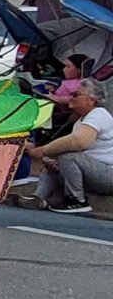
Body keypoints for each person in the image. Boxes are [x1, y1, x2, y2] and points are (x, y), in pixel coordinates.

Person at [26, 79, 113, 212]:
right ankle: (37, 198)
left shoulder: (99, 114)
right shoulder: (81, 120)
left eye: (75, 95)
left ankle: (77, 200)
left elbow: (80, 142)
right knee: (52, 165)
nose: (70, 98)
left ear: (92, 100)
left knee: (68, 157)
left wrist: (43, 150)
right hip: (95, 172)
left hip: (108, 174)